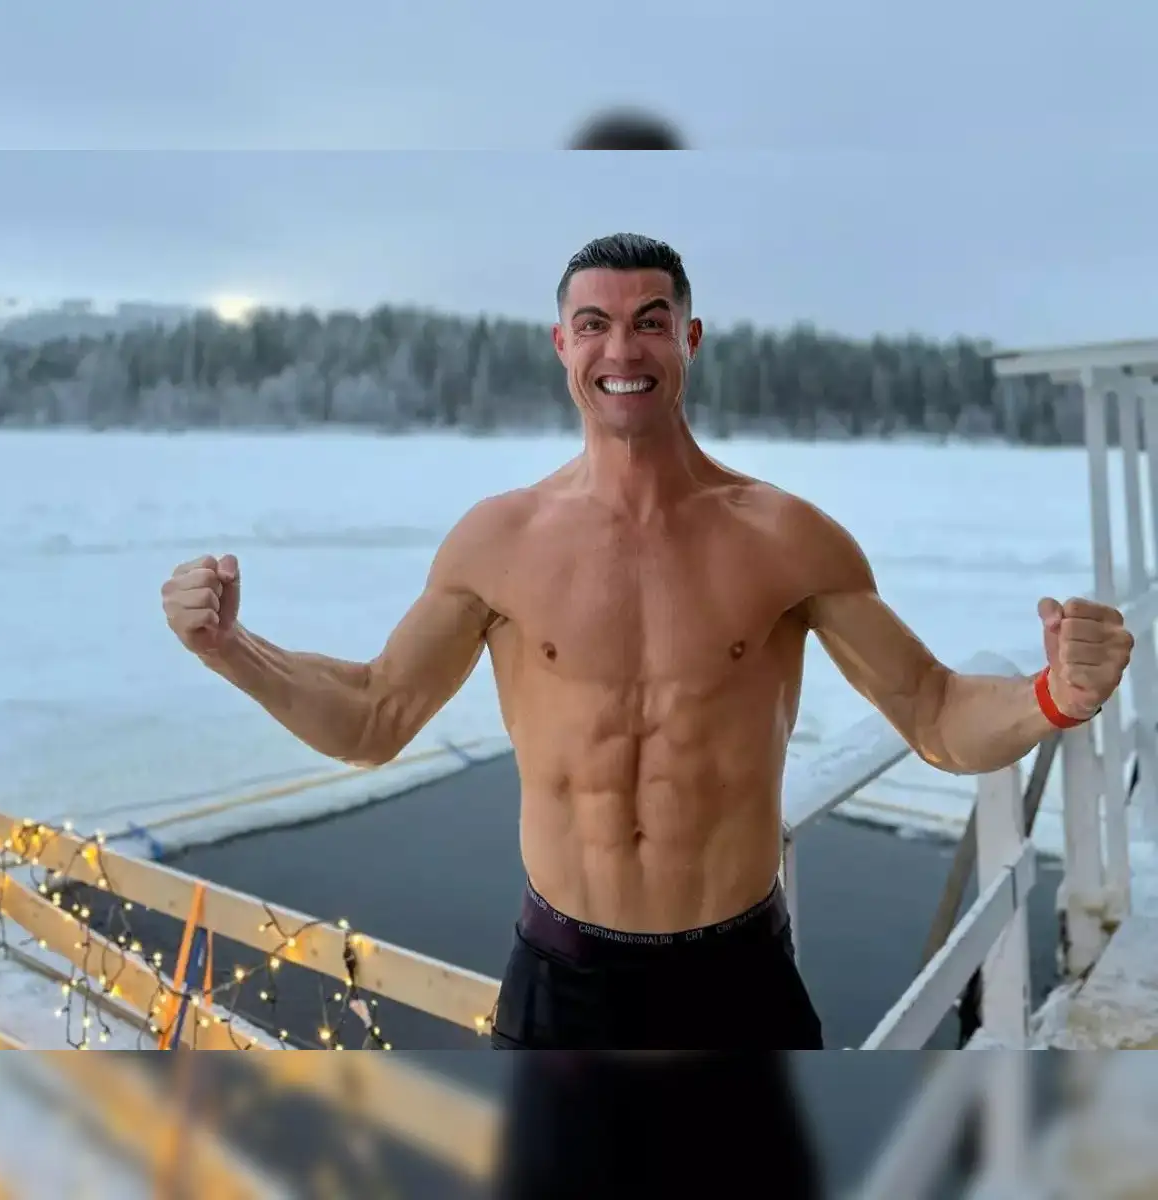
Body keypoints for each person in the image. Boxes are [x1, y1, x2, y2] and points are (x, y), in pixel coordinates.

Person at [160, 232, 1134, 1052]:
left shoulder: (785, 538)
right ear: (562, 344)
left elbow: (935, 713)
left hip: (737, 980)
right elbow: (374, 718)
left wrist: (1054, 695)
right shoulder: (499, 542)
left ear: (689, 339)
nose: (621, 348)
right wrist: (232, 648)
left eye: (650, 321)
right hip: (561, 983)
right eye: (594, 324)